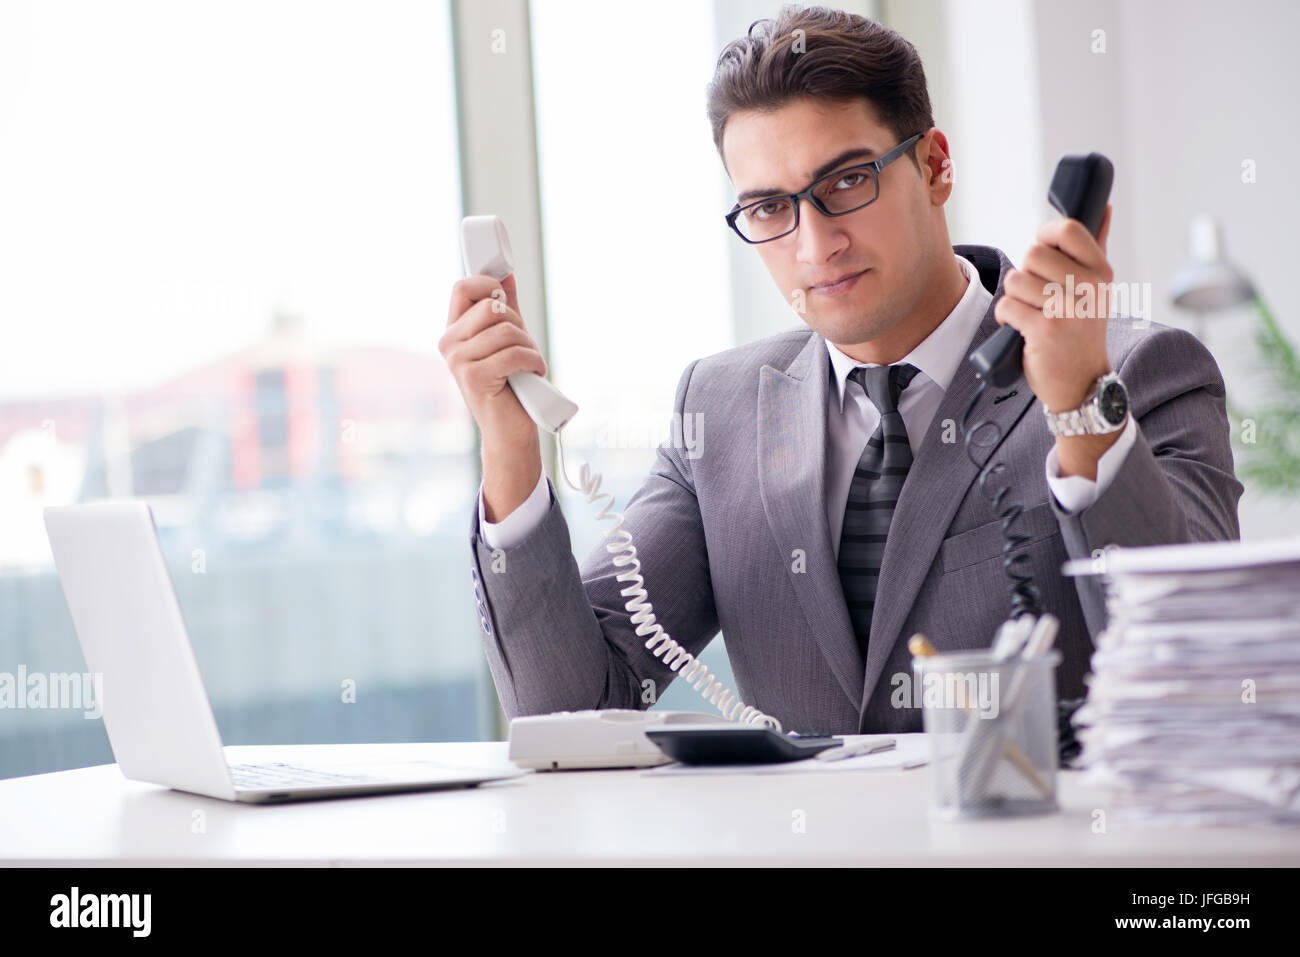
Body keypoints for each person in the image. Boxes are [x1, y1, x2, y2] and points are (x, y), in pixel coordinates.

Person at [439, 5, 1241, 734]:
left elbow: (1205, 672)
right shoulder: (717, 411)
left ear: (933, 167)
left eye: (847, 181)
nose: (814, 246)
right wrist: (510, 452)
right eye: (768, 208)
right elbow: (570, 711)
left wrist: (1076, 407)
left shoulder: (1139, 371)